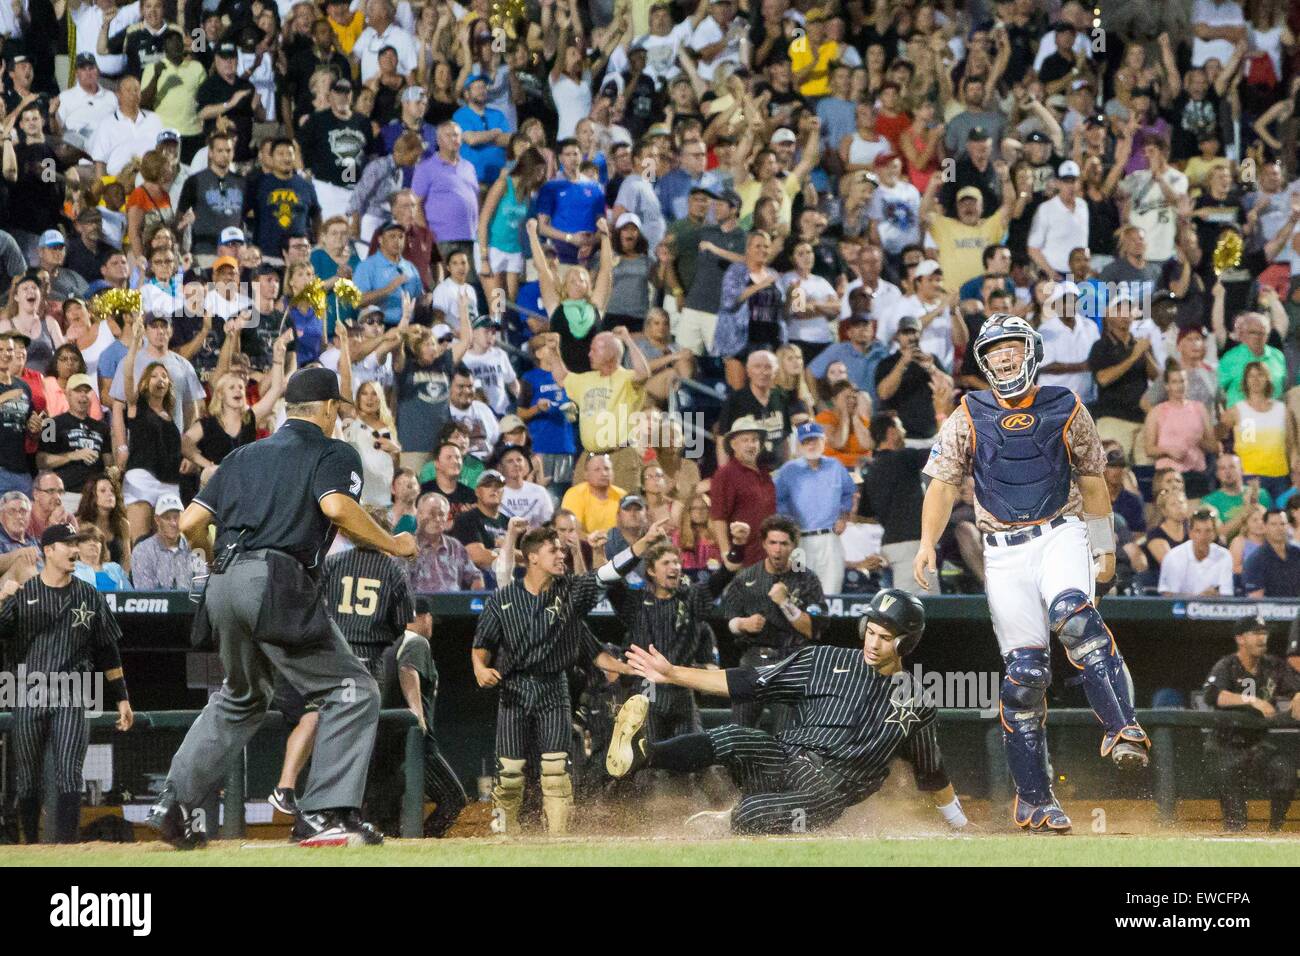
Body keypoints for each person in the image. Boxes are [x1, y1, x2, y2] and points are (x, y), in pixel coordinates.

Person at [147, 367, 418, 849]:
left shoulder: (244, 453)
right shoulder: (334, 450)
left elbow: (190, 522)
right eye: (340, 408)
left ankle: (173, 804)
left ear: (289, 408)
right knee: (352, 688)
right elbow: (336, 507)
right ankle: (323, 813)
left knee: (242, 695)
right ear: (332, 409)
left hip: (225, 580)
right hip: (276, 576)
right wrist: (392, 544)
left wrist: (214, 560)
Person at [915, 314, 1149, 834]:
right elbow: (941, 484)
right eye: (994, 350)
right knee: (1025, 676)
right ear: (983, 360)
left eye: (1012, 347)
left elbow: (1092, 480)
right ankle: (1035, 802)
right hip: (1001, 551)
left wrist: (1104, 547)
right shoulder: (967, 412)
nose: (1004, 357)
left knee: (1074, 617)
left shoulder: (1067, 405)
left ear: (1031, 351)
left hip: (1061, 532)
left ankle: (1122, 728)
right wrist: (928, 544)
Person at [609, 587, 969, 835]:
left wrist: (959, 824)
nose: (872, 643)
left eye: (885, 637)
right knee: (735, 736)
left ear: (906, 642)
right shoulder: (824, 658)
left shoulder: (914, 701)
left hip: (828, 790)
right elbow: (748, 681)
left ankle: (730, 820)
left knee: (754, 812)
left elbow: (932, 772)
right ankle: (644, 754)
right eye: (870, 632)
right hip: (784, 755)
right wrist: (673, 673)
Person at [471, 520, 665, 834]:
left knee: (556, 771)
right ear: (532, 557)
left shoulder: (573, 592)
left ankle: (558, 838)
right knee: (509, 775)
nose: (562, 555)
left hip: (554, 688)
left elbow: (609, 572)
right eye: (554, 550)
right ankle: (506, 836)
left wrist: (643, 544)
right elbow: (481, 646)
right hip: (514, 689)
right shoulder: (503, 599)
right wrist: (480, 668)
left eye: (562, 550)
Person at [268, 509, 417, 822]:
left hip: (329, 653)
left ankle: (289, 788)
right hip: (366, 660)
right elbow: (402, 624)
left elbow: (309, 607)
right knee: (354, 737)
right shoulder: (392, 571)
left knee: (315, 717)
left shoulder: (333, 563)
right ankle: (337, 809)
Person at [0, 523, 133, 844]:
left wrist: (122, 698)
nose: (75, 549)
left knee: (70, 773)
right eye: (67, 543)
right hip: (26, 689)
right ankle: (30, 845)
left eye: (76, 543)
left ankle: (66, 846)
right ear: (48, 551)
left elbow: (107, 650)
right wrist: (2, 599)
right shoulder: (23, 592)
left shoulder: (88, 594)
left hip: (73, 690)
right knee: (28, 779)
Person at [605, 522, 750, 745]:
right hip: (647, 688)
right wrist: (600, 553)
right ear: (651, 570)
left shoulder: (692, 598)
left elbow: (724, 574)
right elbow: (610, 580)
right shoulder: (634, 603)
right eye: (666, 563)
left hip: (681, 688)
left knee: (691, 753)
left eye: (676, 562)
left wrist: (738, 545)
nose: (674, 567)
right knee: (648, 754)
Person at [378, 597, 469, 837]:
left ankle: (403, 850)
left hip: (387, 741)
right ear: (420, 616)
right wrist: (418, 715)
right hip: (414, 740)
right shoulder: (416, 641)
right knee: (454, 798)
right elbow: (408, 669)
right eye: (429, 617)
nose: (431, 623)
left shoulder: (390, 642)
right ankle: (425, 843)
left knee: (388, 815)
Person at [1203, 616, 1300, 832]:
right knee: (1236, 821)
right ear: (1240, 638)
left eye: (1264, 633)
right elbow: (1212, 695)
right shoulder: (1228, 665)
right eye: (1255, 633)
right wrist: (1251, 700)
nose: (1262, 638)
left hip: (1256, 746)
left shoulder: (1273, 666)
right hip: (1224, 748)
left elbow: (1296, 686)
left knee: (1285, 773)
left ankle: (1275, 830)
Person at [773, 422, 855, 595]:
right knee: (797, 592)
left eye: (815, 440)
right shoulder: (788, 470)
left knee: (831, 592)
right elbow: (777, 500)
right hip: (798, 540)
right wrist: (788, 523)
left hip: (829, 538)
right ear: (799, 446)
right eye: (806, 442)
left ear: (823, 441)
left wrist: (843, 516)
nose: (811, 445)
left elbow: (848, 493)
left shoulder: (835, 466)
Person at [409, 491, 482, 592]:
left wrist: (475, 602)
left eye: (441, 514)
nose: (437, 519)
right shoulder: (408, 546)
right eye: (432, 513)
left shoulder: (455, 546)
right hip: (420, 605)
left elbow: (475, 577)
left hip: (452, 606)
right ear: (419, 515)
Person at [130, 492, 200, 590]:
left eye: (176, 517)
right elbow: (146, 594)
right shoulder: (142, 551)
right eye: (167, 518)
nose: (173, 523)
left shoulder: (196, 549)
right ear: (157, 520)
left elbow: (201, 588)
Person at [1157, 508, 1233, 596]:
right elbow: (1168, 595)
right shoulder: (1174, 557)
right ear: (1190, 533)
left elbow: (1226, 594)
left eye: (1208, 531)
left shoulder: (1224, 556)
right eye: (1198, 531)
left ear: (1214, 534)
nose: (1203, 537)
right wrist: (1199, 597)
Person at [1242, 509, 1300, 598]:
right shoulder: (1255, 560)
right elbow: (1256, 599)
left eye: (1282, 524)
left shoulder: (1297, 553)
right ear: (1265, 527)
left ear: (1288, 526)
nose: (1279, 528)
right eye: (1273, 524)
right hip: (1270, 609)